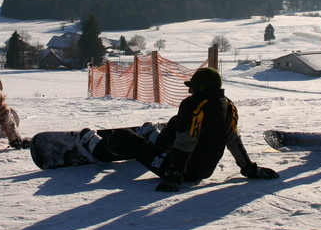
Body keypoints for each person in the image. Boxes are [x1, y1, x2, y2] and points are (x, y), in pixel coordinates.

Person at [81, 67, 279, 192]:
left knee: (123, 136)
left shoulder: (193, 105)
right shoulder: (227, 105)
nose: (189, 91)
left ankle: (96, 148)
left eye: (192, 87)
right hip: (204, 170)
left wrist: (175, 174)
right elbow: (233, 140)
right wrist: (248, 168)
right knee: (177, 122)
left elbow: (186, 141)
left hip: (178, 169)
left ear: (201, 89)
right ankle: (156, 141)